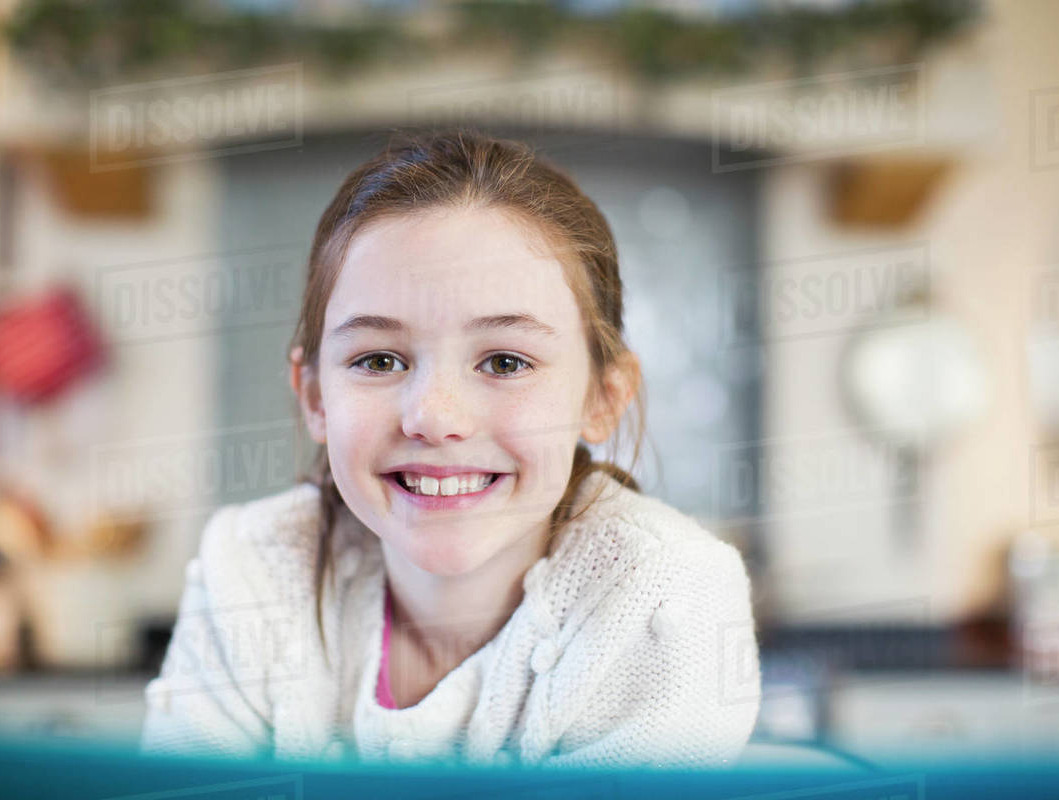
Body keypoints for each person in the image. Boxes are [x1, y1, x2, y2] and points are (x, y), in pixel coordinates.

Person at [138, 127, 760, 770]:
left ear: (602, 398)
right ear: (315, 397)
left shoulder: (665, 599)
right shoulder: (250, 569)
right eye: (379, 359)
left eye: (505, 361)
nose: (434, 418)